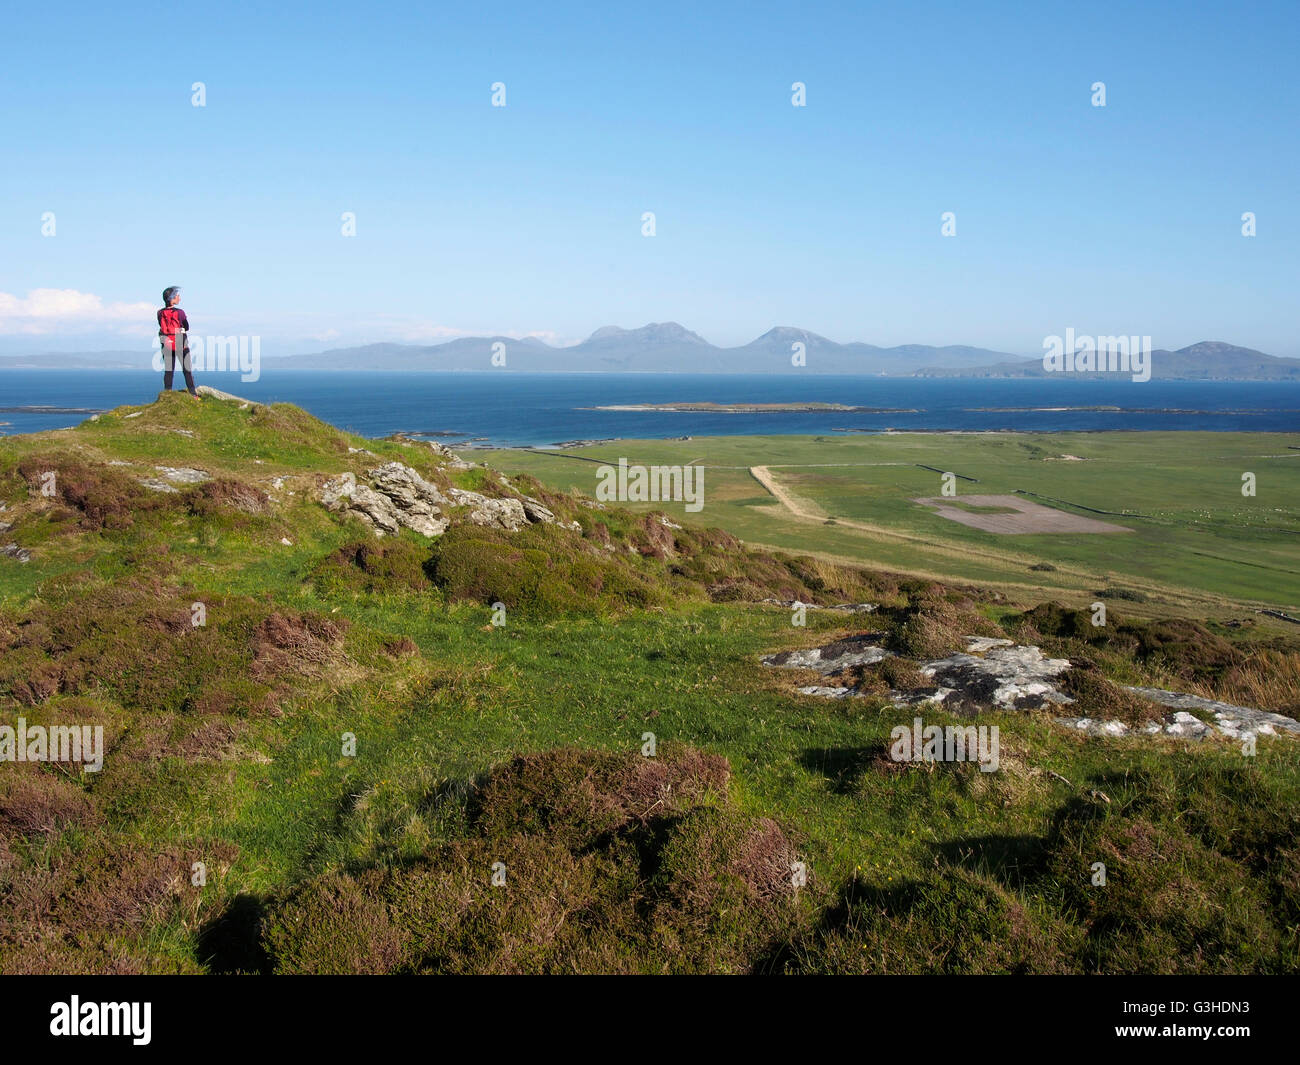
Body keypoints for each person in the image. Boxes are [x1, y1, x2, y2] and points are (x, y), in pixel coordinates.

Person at [157, 286, 199, 398]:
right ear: (172, 298)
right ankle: (193, 394)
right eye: (177, 295)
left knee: (169, 370)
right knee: (187, 369)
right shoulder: (180, 312)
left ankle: (167, 393)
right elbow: (187, 326)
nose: (179, 298)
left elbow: (161, 326)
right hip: (180, 341)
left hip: (166, 342)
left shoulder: (160, 313)